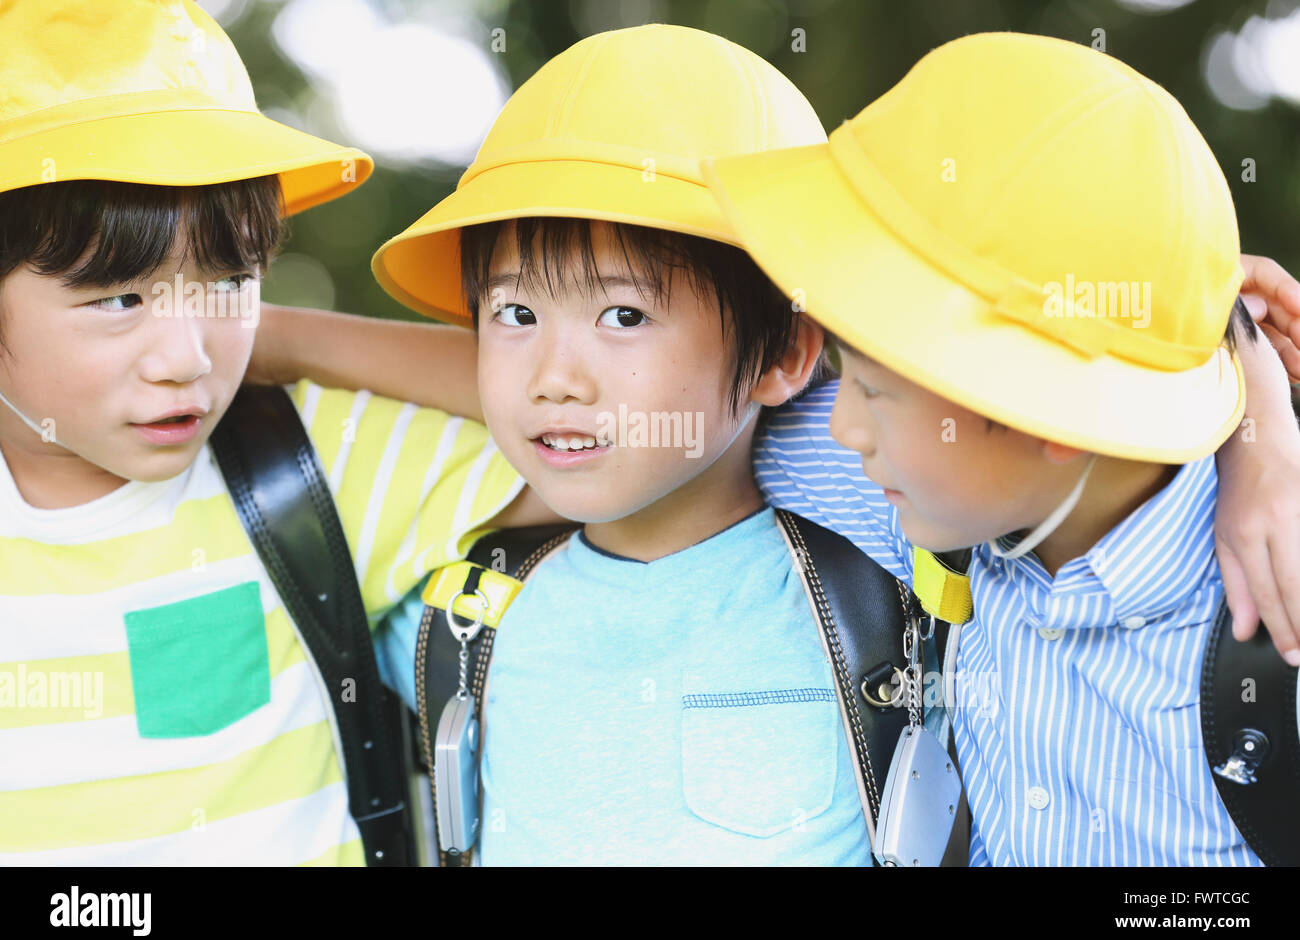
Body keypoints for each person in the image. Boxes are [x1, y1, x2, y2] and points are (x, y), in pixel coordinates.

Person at [251, 26, 1300, 865]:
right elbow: (581, 399)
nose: (845, 418)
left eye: (874, 386)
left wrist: (1255, 422)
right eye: (512, 317)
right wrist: (263, 337)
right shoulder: (883, 470)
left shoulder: (1239, 607)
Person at [704, 31, 1300, 864]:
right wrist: (1252, 389)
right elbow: (626, 421)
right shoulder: (930, 491)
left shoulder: (1275, 628)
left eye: (872, 388)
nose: (839, 424)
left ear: (1049, 415)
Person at [0, 0, 547, 865]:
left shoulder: (299, 455)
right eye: (119, 298)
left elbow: (589, 427)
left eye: (229, 281)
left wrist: (275, 337)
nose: (184, 360)